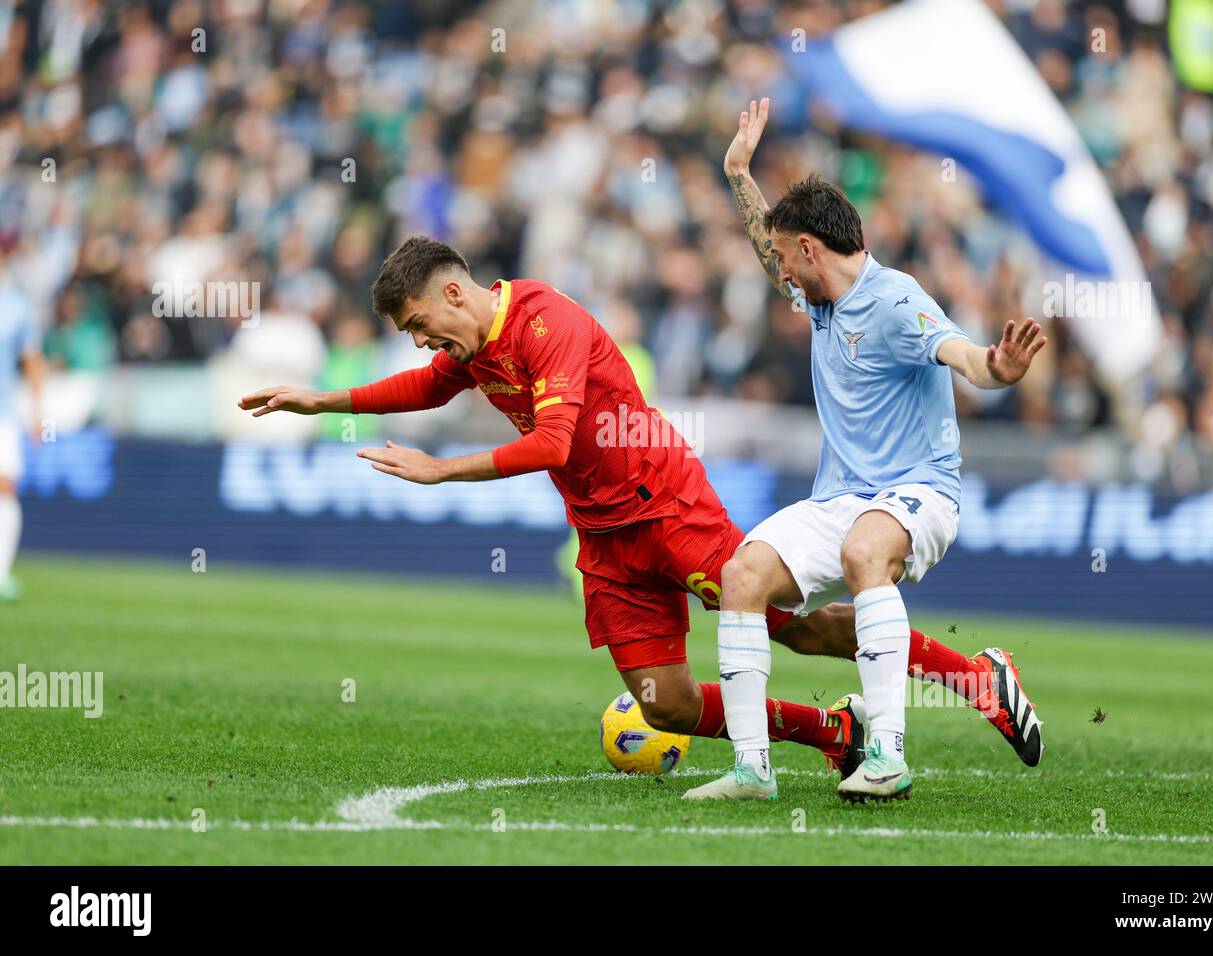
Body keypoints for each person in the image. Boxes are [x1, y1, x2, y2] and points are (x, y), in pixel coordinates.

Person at [239, 235, 1042, 783]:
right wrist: (325, 401)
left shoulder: (546, 323)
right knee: (666, 703)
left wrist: (440, 471)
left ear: (453, 292)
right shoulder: (473, 346)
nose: (419, 343)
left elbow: (552, 444)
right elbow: (424, 386)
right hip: (603, 535)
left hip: (665, 505)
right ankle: (834, 733)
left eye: (419, 324)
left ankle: (975, 678)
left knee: (786, 626)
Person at [687, 98, 1047, 803]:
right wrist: (738, 171)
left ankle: (885, 753)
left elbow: (961, 355)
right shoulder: (821, 299)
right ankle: (752, 771)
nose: (780, 274)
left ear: (812, 250)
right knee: (742, 577)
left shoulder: (894, 299)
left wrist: (995, 371)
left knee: (862, 554)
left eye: (788, 258)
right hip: (842, 496)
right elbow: (770, 247)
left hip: (921, 490)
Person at [0, 239, 45, 602]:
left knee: (5, 486)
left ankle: (1, 572)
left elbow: (31, 359)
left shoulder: (15, 305)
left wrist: (36, 410)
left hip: (3, 413)